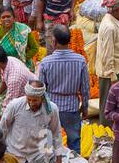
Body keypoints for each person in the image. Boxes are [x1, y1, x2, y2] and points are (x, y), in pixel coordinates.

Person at [0, 80, 63, 163]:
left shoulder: (52, 109)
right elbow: (2, 129)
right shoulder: (14, 105)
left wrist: (59, 159)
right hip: (14, 155)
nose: (31, 103)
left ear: (42, 97)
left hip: (38, 155)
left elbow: (56, 133)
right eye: (29, 99)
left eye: (35, 100)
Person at [37, 24, 91, 155]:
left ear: (54, 42)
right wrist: (84, 107)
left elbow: (41, 90)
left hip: (50, 107)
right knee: (74, 142)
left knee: (48, 143)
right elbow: (85, 88)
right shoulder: (80, 61)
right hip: (71, 107)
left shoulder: (46, 62)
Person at [94, 0, 119, 120]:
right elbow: (107, 55)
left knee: (111, 103)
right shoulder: (110, 27)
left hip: (116, 69)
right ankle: (105, 130)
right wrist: (112, 77)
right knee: (108, 104)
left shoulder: (112, 21)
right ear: (114, 10)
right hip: (111, 73)